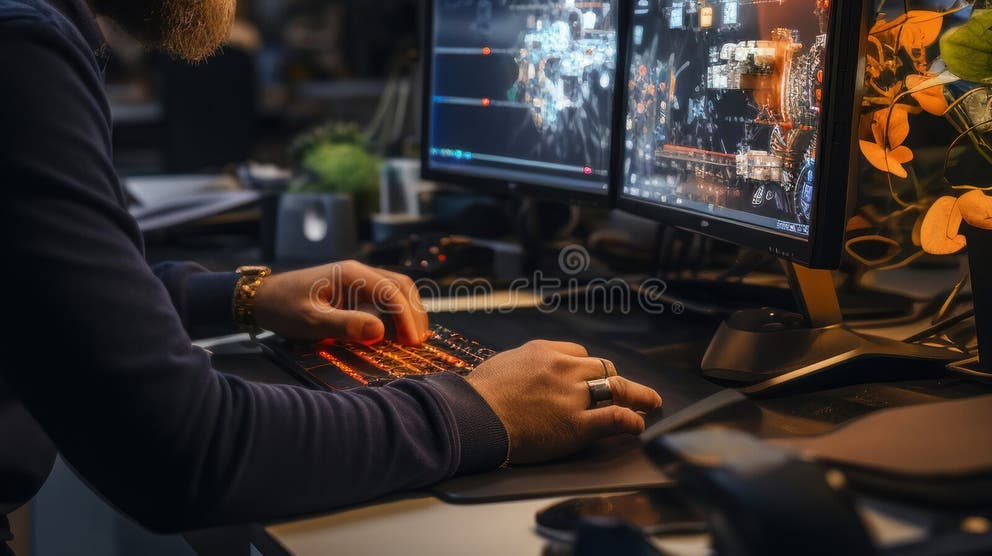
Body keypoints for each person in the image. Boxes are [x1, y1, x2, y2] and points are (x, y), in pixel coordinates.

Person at [0, 0, 663, 545]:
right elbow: (184, 450)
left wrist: (243, 295)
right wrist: (482, 409)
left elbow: (48, 299)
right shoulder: (22, 45)